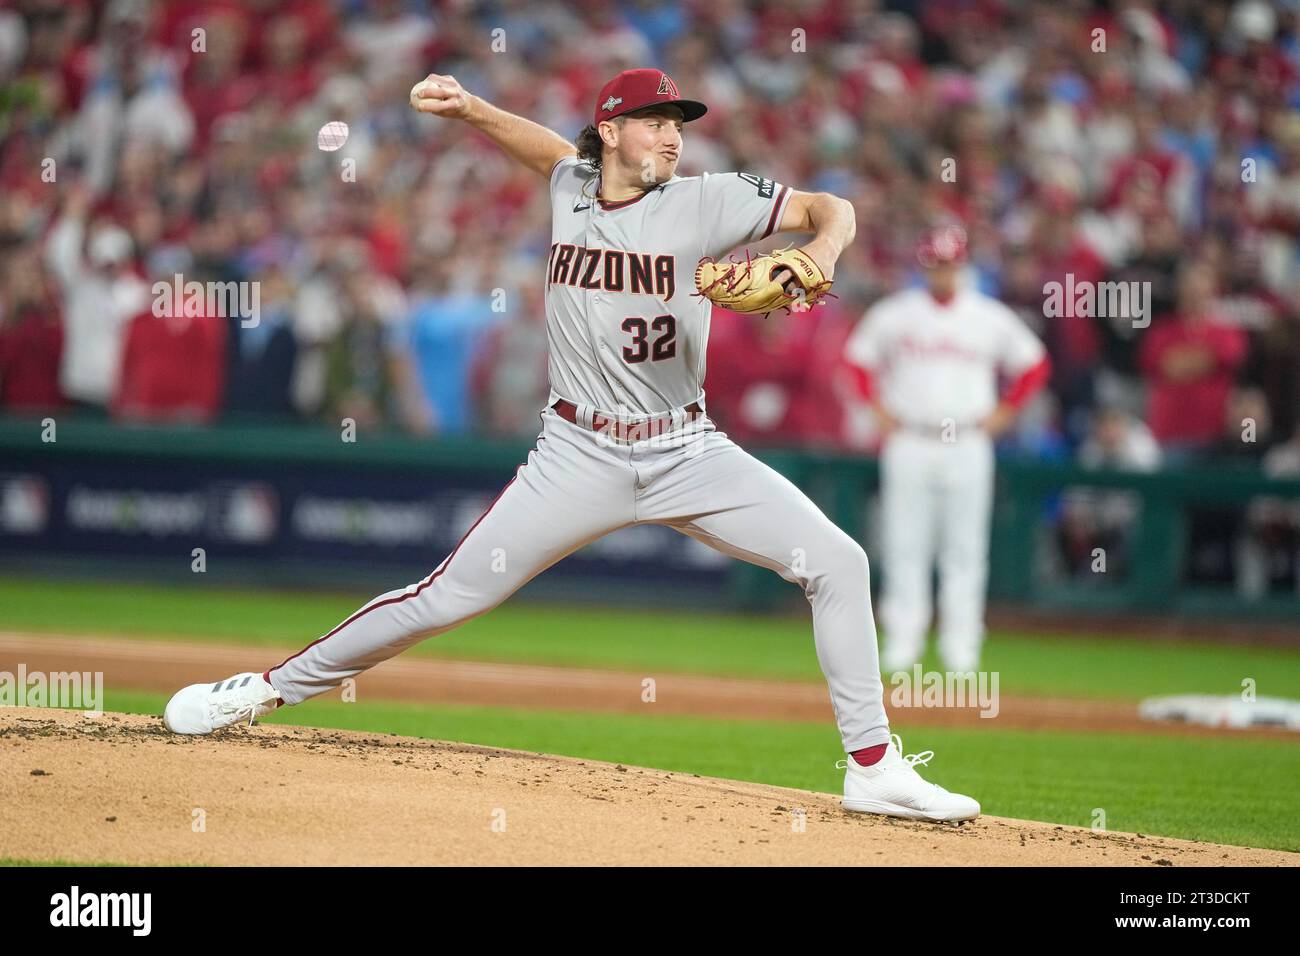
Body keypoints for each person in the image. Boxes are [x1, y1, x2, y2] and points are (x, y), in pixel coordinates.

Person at [162, 68, 979, 823]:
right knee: (445, 598)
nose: (673, 136)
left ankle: (872, 769)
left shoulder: (709, 200)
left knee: (839, 562)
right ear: (611, 131)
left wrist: (818, 249)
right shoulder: (571, 187)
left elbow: (831, 207)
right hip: (575, 454)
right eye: (656, 122)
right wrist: (474, 108)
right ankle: (261, 690)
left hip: (686, 450)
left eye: (678, 124)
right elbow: (547, 150)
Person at [845, 224, 1050, 673]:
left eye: (949, 263)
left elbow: (1034, 365)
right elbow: (858, 359)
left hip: (968, 439)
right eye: (935, 263)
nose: (942, 271)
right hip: (911, 437)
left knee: (964, 547)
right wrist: (875, 408)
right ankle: (904, 640)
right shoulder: (897, 313)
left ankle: (962, 646)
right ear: (924, 265)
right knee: (905, 542)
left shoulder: (987, 315)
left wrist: (1005, 413)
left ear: (962, 264)